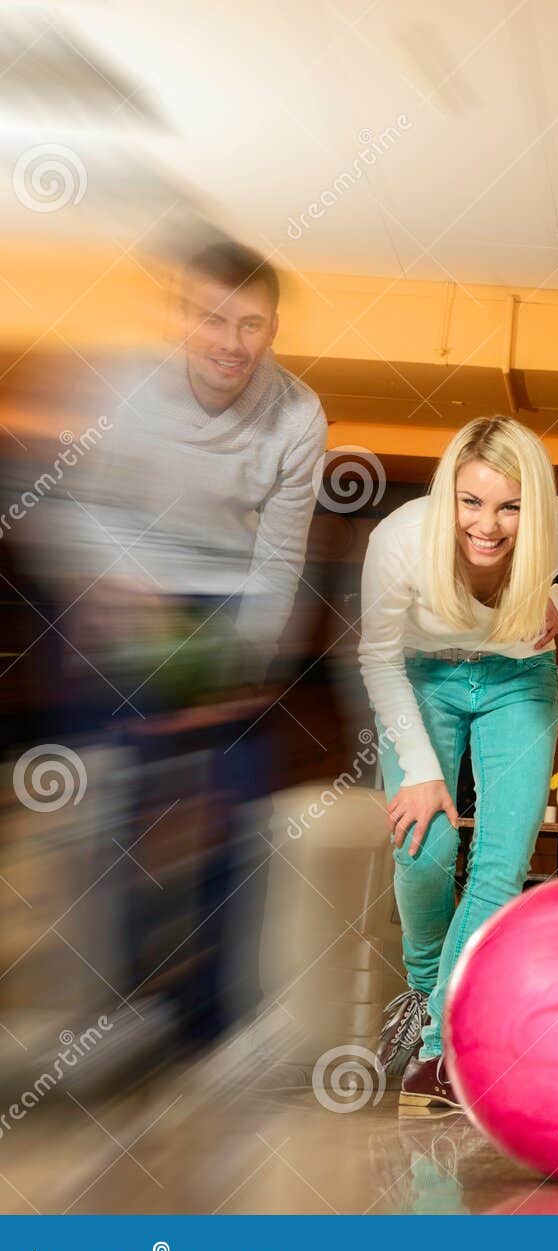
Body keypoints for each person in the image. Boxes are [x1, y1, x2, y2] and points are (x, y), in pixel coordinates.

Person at [32, 240, 326, 1055]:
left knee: (239, 803)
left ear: (274, 329)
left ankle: (215, 1019)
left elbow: (282, 554)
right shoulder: (123, 389)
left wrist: (246, 666)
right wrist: (123, 590)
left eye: (252, 324)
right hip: (128, 591)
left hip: (230, 600)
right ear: (181, 317)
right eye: (212, 319)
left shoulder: (298, 414)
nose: (231, 342)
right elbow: (75, 506)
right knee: (119, 805)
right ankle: (114, 1007)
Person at [361, 415, 558, 1112]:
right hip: (421, 675)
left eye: (510, 507)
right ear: (448, 495)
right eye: (471, 502)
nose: (488, 526)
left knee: (500, 865)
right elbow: (377, 657)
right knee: (424, 849)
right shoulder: (400, 540)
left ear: (535, 505)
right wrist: (421, 772)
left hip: (519, 681)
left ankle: (442, 1047)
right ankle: (424, 987)